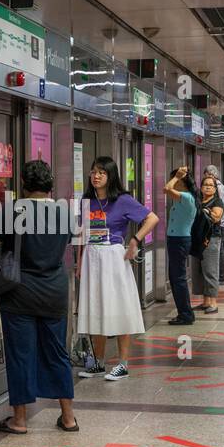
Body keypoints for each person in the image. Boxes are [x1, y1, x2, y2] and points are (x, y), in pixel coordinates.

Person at [0, 160, 77, 434]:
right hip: (55, 292)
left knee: (20, 355)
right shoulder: (64, 213)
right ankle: (68, 417)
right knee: (58, 354)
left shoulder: (13, 211)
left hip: (19, 293)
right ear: (50, 184)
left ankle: (20, 420)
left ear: (23, 183)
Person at [75, 157, 158, 382]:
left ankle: (122, 363)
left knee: (119, 307)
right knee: (95, 307)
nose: (96, 176)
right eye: (93, 172)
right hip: (92, 256)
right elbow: (82, 233)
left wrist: (135, 240)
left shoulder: (123, 200)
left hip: (113, 256)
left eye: (101, 172)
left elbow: (152, 218)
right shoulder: (87, 200)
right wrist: (80, 260)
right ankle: (99, 362)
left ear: (111, 176)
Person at [164, 166, 198, 325]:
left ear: (181, 182)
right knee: (176, 278)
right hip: (177, 240)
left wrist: (176, 176)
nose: (173, 183)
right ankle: (184, 312)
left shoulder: (186, 197)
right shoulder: (185, 197)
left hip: (179, 241)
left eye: (176, 180)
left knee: (178, 279)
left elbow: (166, 188)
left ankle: (185, 314)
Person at [192, 173, 224, 315]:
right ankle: (205, 301)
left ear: (215, 188)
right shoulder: (198, 201)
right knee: (199, 271)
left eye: (211, 185)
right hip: (198, 238)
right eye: (205, 185)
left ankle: (213, 302)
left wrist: (207, 212)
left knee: (210, 270)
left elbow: (217, 218)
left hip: (211, 239)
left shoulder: (217, 202)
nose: (208, 187)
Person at [203, 165, 224, 285]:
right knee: (220, 251)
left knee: (219, 251)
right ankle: (219, 277)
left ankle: (221, 277)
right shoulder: (220, 186)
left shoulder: (219, 188)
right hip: (221, 222)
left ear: (210, 174)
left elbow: (218, 206)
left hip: (219, 223)